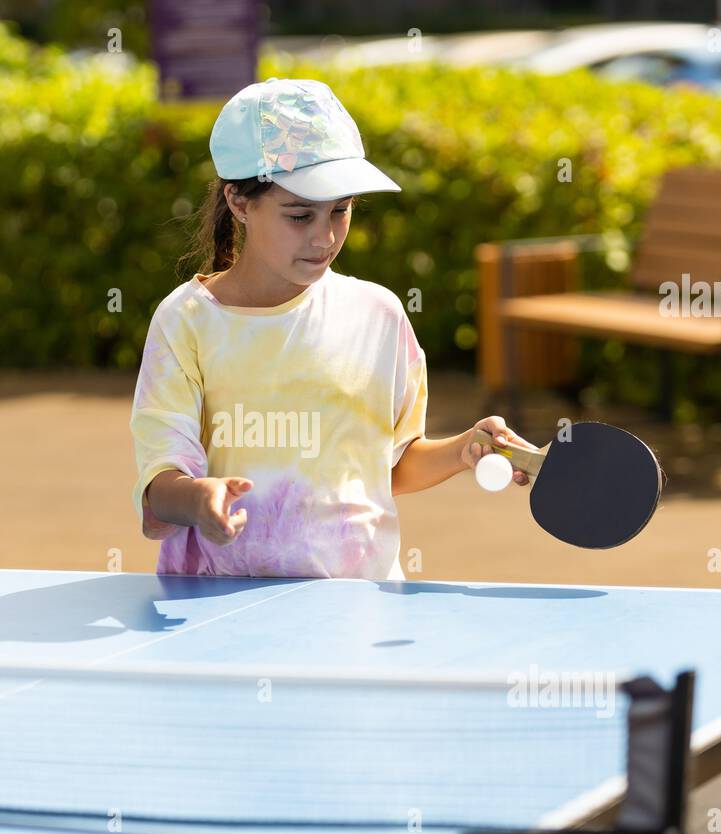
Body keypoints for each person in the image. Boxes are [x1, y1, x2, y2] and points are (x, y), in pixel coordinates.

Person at [131, 77, 532, 579]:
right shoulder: (184, 321)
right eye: (299, 215)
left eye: (340, 211)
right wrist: (196, 499)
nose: (324, 236)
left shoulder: (379, 315)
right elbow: (159, 485)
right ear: (238, 202)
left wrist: (464, 448)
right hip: (217, 602)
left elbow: (391, 465)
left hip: (359, 610)